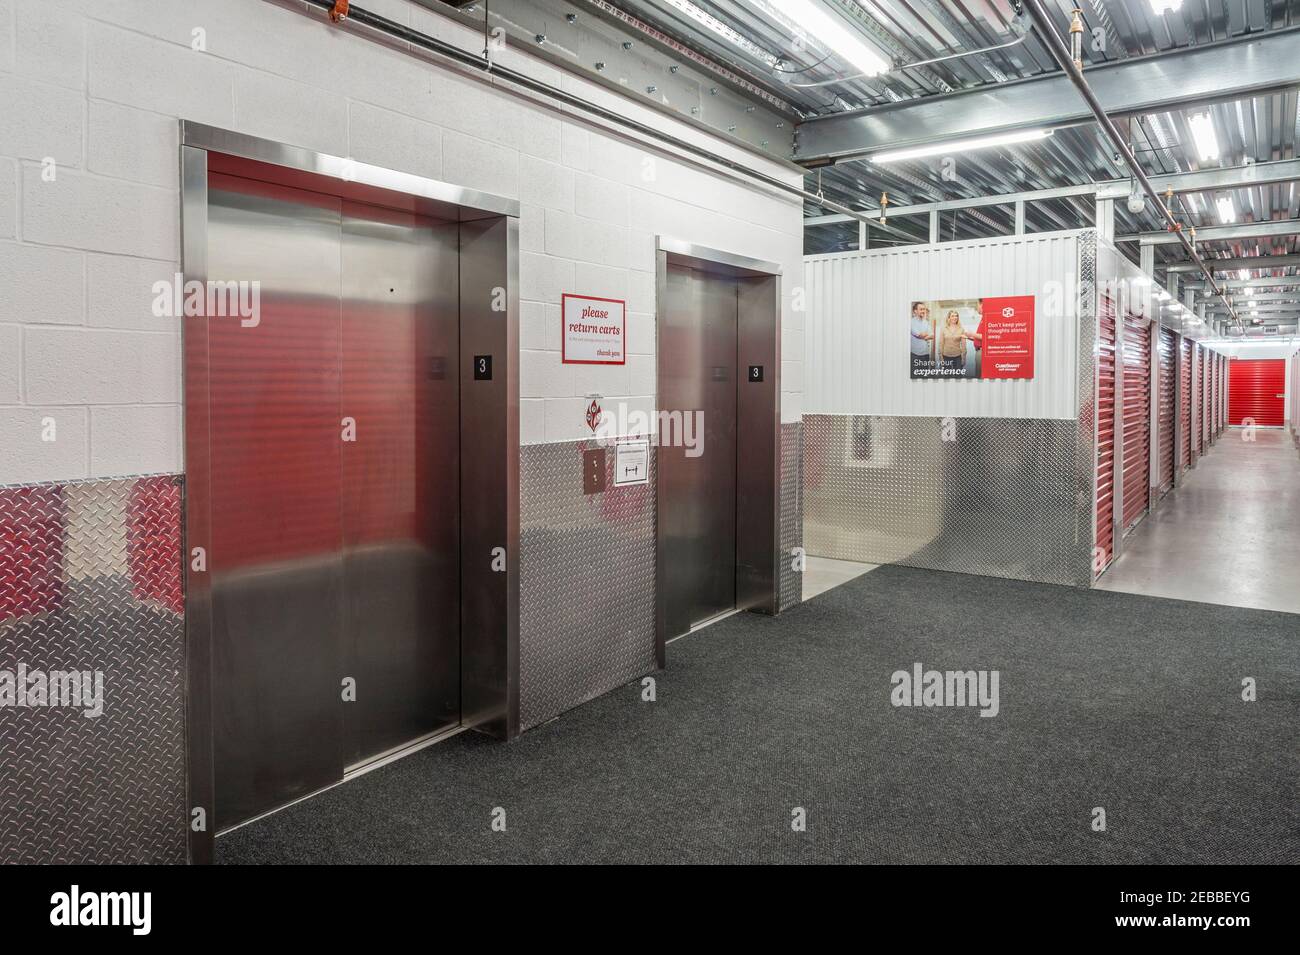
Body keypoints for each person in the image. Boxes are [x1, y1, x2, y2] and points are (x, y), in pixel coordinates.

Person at [939, 310, 968, 374]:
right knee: (947, 376)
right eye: (952, 316)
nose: (955, 317)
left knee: (958, 376)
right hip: (946, 356)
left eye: (956, 316)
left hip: (957, 356)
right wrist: (941, 358)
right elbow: (941, 343)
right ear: (949, 318)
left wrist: (964, 358)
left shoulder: (961, 329)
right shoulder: (943, 329)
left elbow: (963, 345)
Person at [910, 302, 933, 376]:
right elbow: (919, 335)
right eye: (921, 309)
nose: (923, 311)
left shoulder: (926, 322)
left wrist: (923, 335)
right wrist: (925, 335)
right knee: (915, 376)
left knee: (924, 376)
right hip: (915, 354)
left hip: (926, 354)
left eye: (924, 309)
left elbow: (932, 335)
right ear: (915, 311)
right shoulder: (911, 322)